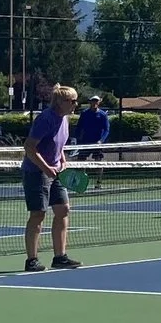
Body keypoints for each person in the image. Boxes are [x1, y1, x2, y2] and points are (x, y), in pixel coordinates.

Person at [21, 84, 82, 272]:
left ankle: (60, 257)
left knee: (63, 209)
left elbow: (59, 145)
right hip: (35, 172)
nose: (75, 104)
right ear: (60, 102)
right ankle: (32, 260)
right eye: (72, 101)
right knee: (38, 214)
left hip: (56, 172)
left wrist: (63, 161)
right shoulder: (45, 119)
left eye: (76, 101)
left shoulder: (64, 119)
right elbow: (30, 147)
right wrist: (46, 168)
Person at [74, 93, 111, 160]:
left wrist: (101, 140)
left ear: (99, 102)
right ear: (90, 102)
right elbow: (79, 127)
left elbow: (106, 130)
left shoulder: (103, 115)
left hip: (97, 142)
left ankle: (97, 170)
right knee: (81, 160)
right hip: (85, 141)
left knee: (98, 161)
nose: (94, 103)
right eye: (93, 101)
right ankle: (81, 170)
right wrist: (78, 139)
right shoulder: (84, 113)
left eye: (96, 101)